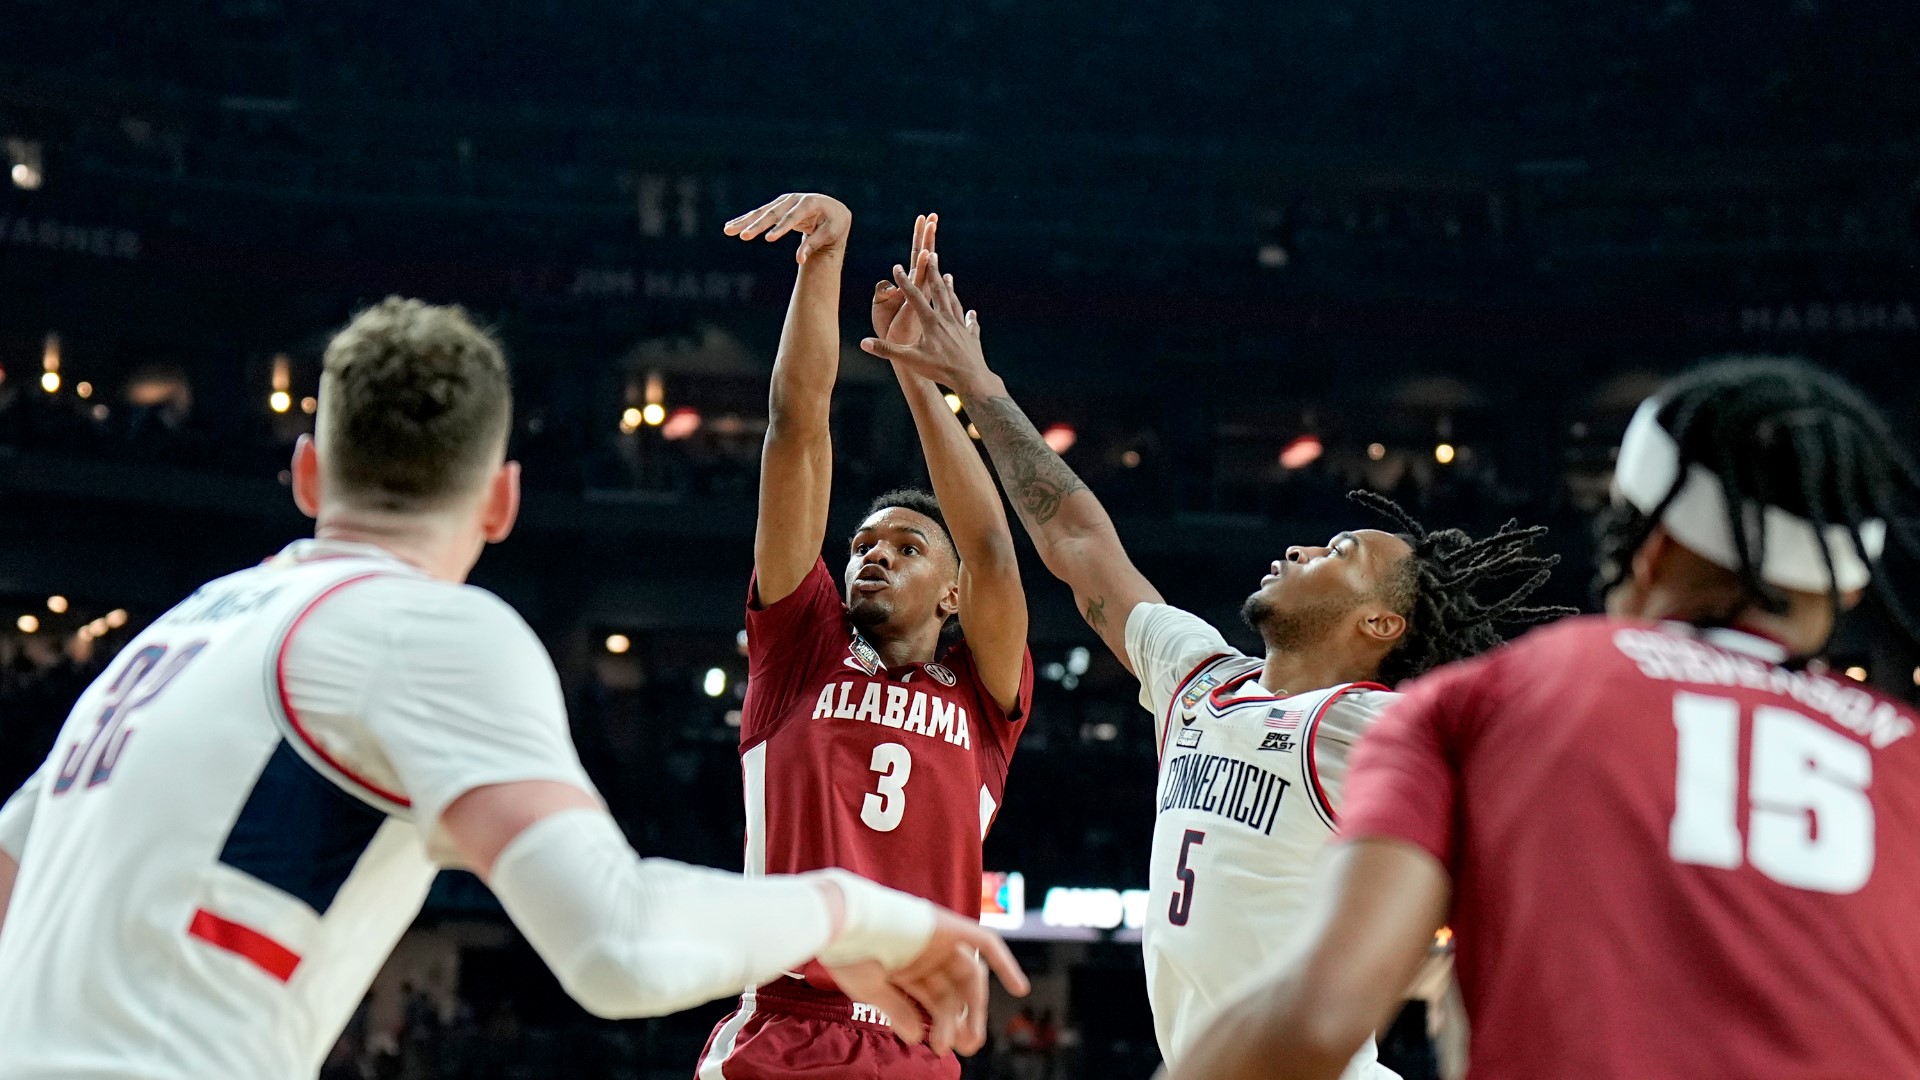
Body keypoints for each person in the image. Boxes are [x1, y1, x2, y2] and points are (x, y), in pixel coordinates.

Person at [0, 297, 1026, 1080]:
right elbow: (617, 947)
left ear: (308, 477)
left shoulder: (166, 639)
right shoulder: (435, 635)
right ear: (502, 501)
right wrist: (862, 913)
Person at [862, 265, 1569, 1077]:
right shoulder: (1199, 677)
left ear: (1382, 623)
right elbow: (1080, 541)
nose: (1302, 549)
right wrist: (976, 386)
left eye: (1339, 553)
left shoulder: (1363, 723)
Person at [1170, 357, 1920, 1079]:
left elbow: (1314, 1020)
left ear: (1646, 549)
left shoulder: (1494, 698)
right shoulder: (1905, 756)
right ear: (1844, 594)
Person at [696, 199, 1033, 1080]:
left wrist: (922, 379)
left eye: (906, 547)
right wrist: (823, 260)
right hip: (784, 1025)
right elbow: (796, 428)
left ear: (952, 593)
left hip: (917, 1047)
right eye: (862, 546)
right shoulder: (798, 645)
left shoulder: (983, 695)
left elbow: (996, 549)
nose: (873, 556)